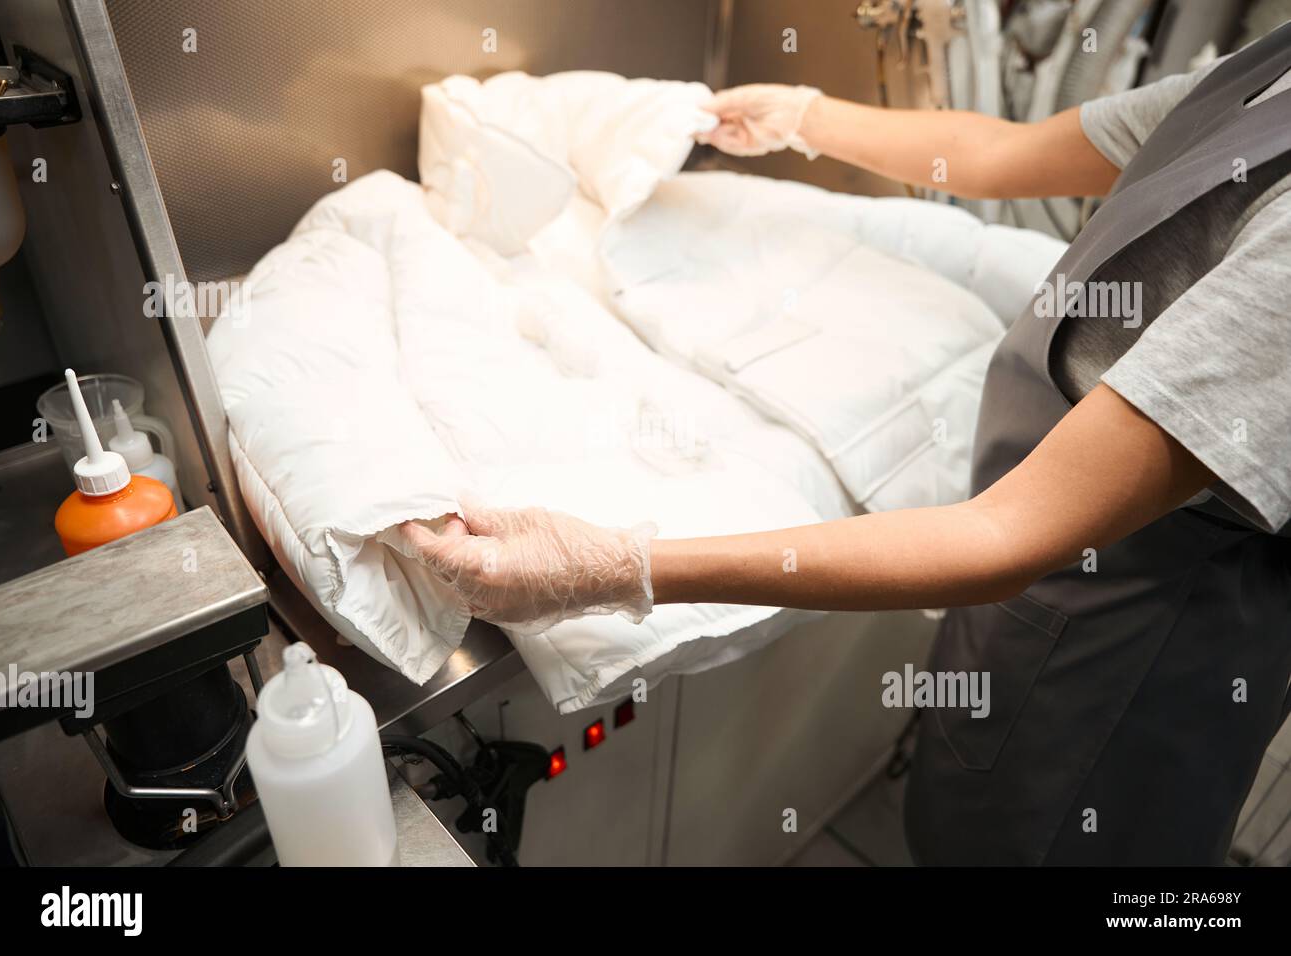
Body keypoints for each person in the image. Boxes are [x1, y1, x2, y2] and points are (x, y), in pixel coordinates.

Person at [402, 23, 1291, 865]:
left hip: (1140, 646)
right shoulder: (1268, 70)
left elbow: (1004, 536)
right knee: (964, 810)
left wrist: (623, 568)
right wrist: (802, 116)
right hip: (1051, 593)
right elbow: (1004, 154)